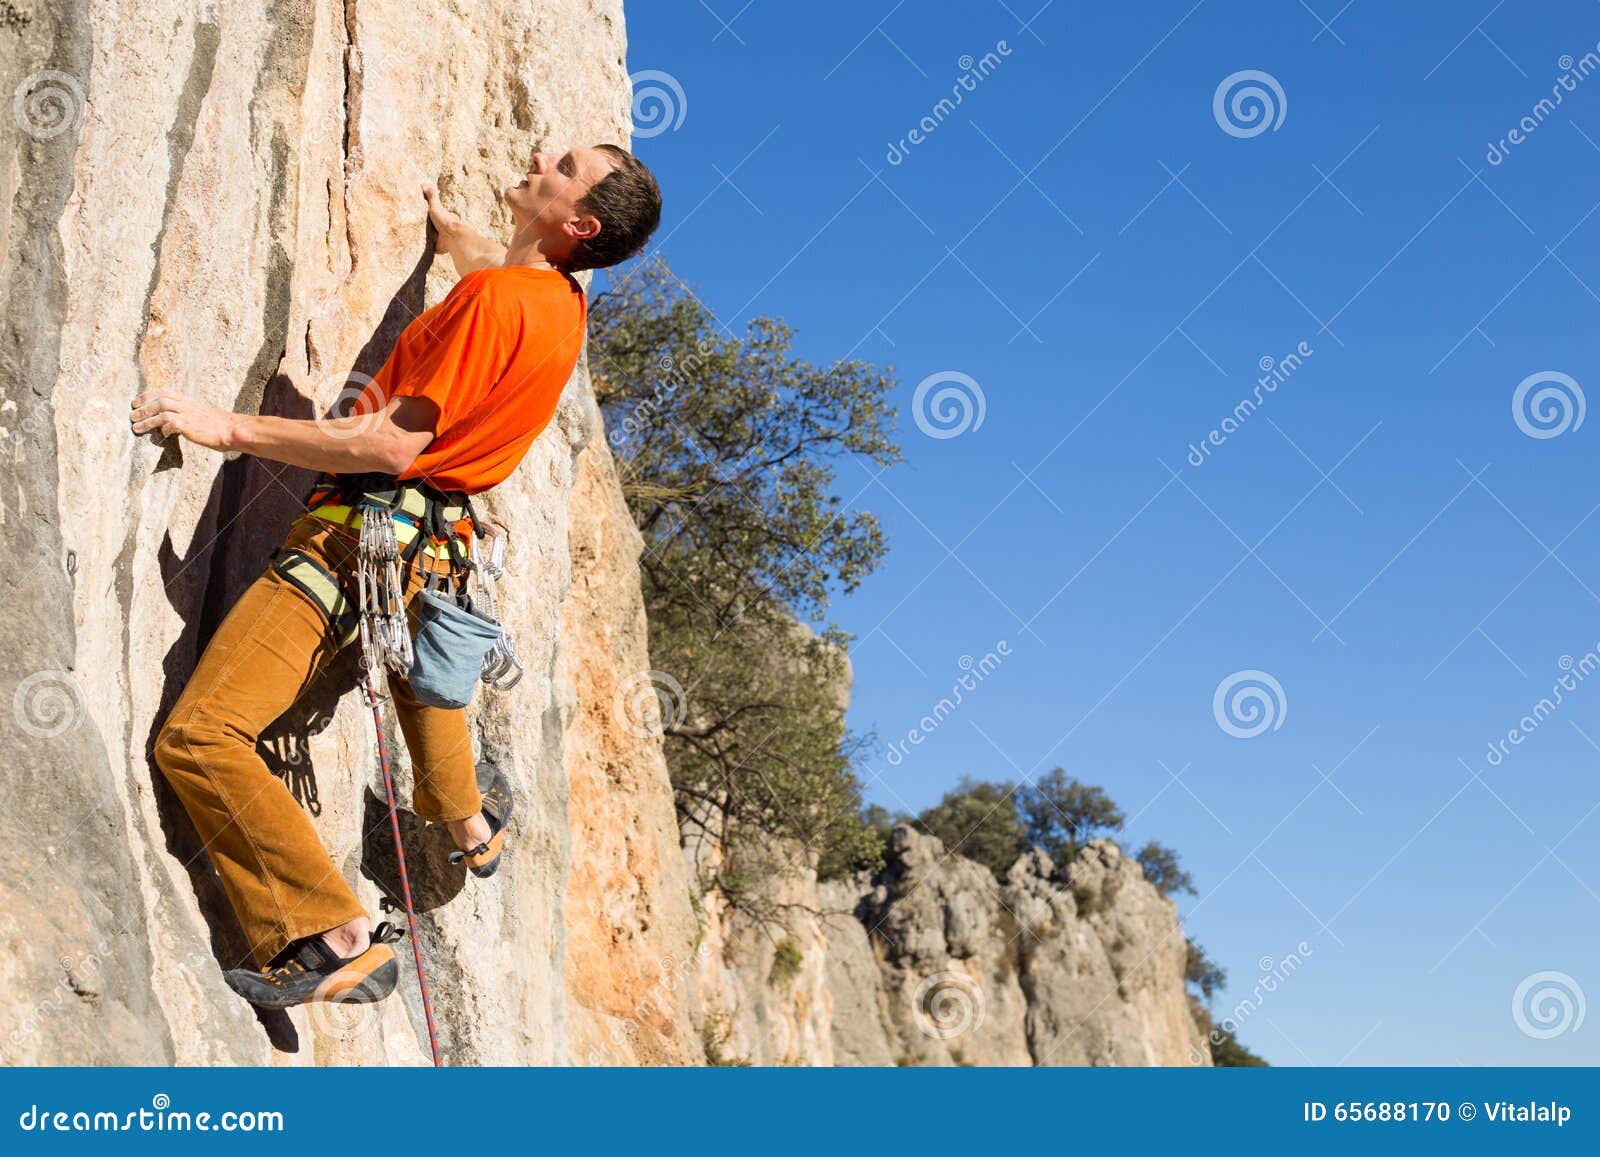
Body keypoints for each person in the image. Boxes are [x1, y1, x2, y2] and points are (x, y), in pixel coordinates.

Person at [132, 144, 662, 1008]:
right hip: (431, 547)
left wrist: (230, 428)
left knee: (201, 735)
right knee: (427, 676)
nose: (539, 156)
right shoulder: (559, 304)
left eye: (561, 164)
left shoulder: (499, 299)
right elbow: (504, 282)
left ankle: (332, 933)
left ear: (578, 222)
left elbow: (388, 444)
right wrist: (457, 240)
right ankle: (469, 824)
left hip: (353, 542)